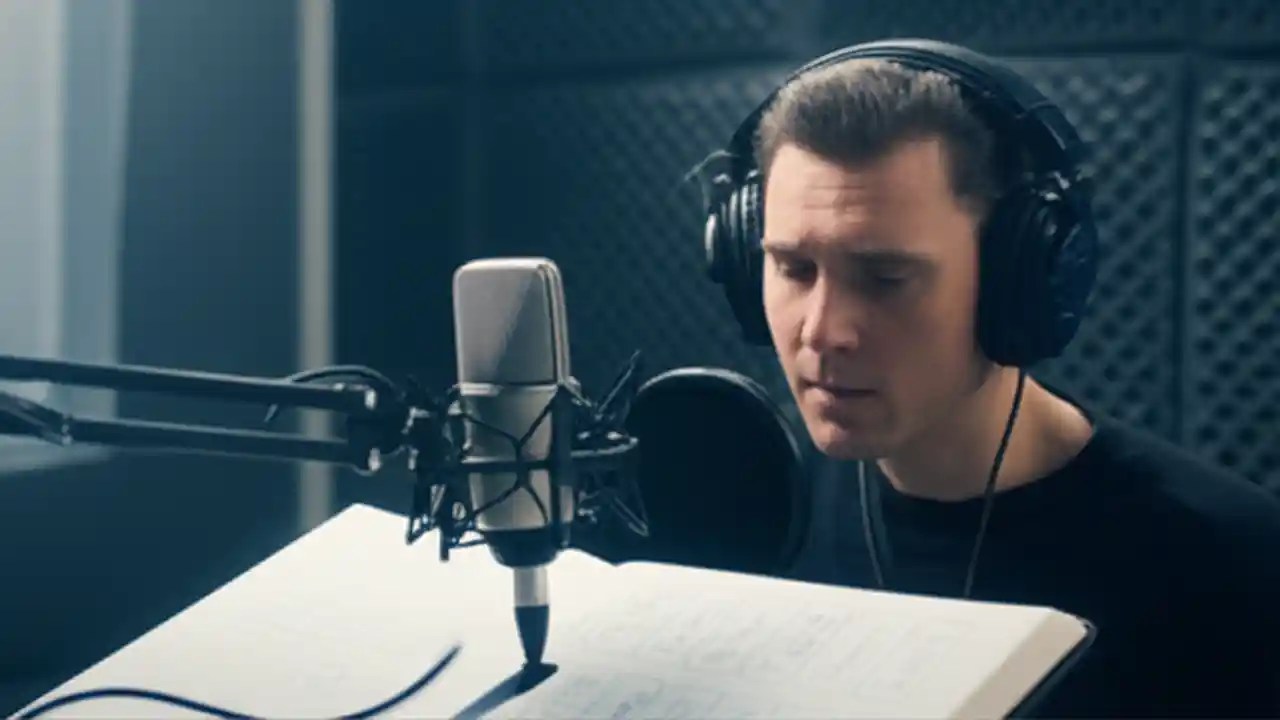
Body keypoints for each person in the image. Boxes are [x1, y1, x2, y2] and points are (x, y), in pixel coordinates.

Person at [704, 42, 1280, 717]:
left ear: (1019, 278)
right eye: (794, 269)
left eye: (885, 278)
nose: (823, 331)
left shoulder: (1229, 565)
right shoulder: (748, 517)